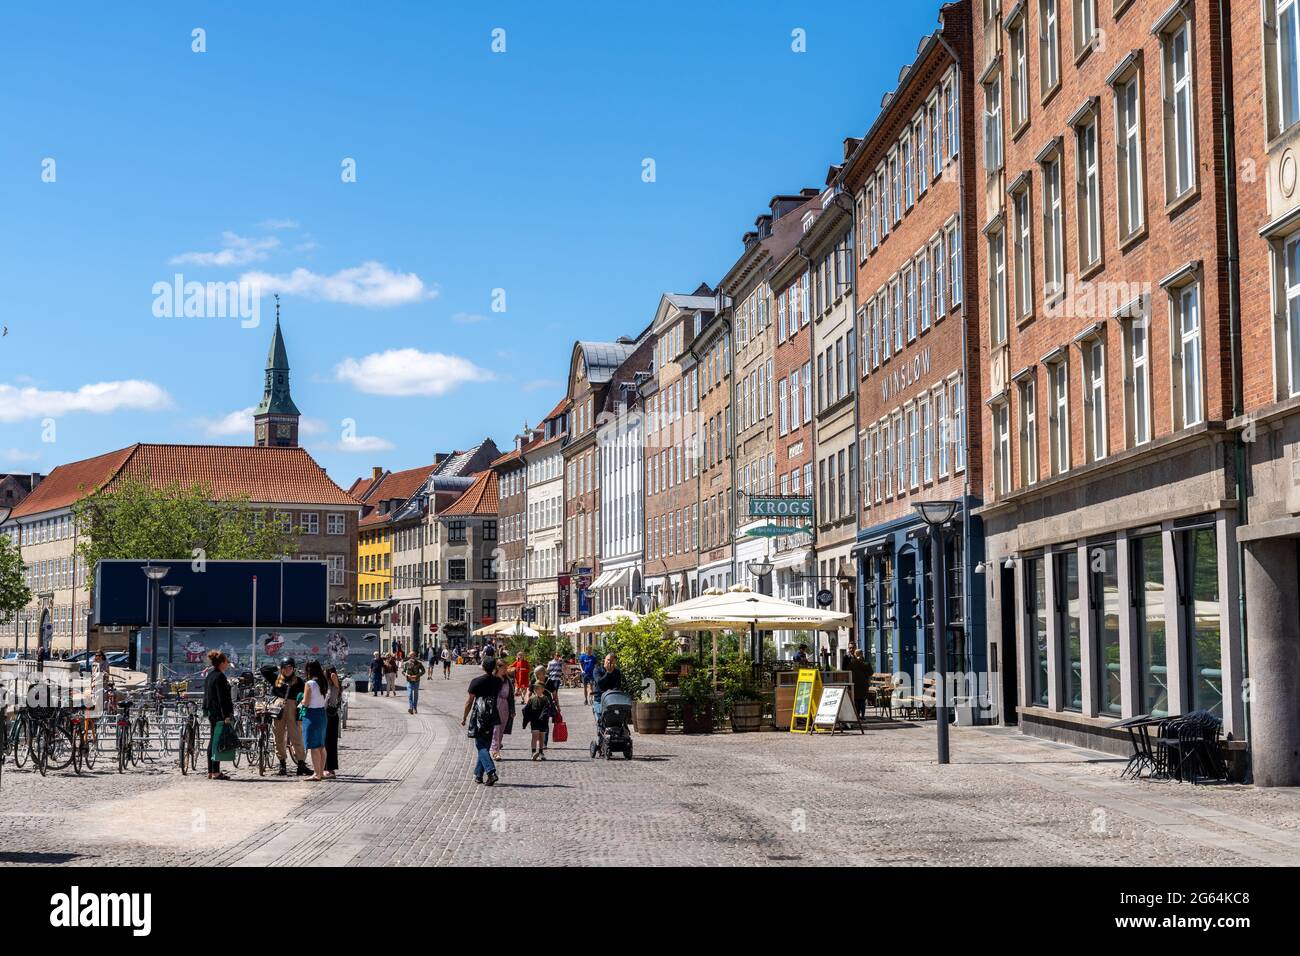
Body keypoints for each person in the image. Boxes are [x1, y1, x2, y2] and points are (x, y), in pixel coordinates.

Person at [460, 659, 502, 786]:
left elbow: (469, 701)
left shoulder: (476, 681)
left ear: (483, 667)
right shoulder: (498, 681)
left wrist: (464, 717)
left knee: (481, 746)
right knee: (486, 745)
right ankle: (478, 775)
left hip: (480, 715)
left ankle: (491, 772)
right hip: (492, 714)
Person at [272, 657, 309, 776]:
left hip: (293, 708)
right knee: (278, 737)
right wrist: (277, 667)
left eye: (290, 667)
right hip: (279, 707)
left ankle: (301, 764)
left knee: (297, 736)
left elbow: (305, 695)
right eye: (285, 667)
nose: (288, 670)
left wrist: (301, 712)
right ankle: (282, 764)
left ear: (294, 668)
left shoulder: (298, 681)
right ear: (281, 668)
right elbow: (264, 670)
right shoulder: (278, 679)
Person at [203, 650, 234, 780]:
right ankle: (216, 771)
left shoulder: (210, 676)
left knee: (212, 740)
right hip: (219, 713)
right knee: (217, 741)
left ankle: (211, 770)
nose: (227, 664)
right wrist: (226, 715)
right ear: (221, 663)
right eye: (226, 662)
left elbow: (206, 697)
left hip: (211, 712)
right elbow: (222, 698)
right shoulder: (220, 677)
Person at [300, 660, 329, 781]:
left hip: (311, 714)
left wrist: (300, 702)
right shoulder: (323, 682)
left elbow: (306, 702)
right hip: (322, 713)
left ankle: (316, 774)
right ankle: (321, 772)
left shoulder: (309, 683)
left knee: (313, 746)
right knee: (321, 745)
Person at [490, 657, 514, 762]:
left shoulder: (507, 680)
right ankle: (495, 752)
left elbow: (511, 696)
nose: (505, 670)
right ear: (498, 668)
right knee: (495, 729)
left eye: (506, 667)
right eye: (503, 668)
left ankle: (497, 747)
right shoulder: (492, 679)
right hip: (495, 706)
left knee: (501, 730)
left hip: (505, 707)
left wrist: (512, 710)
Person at [522, 675, 553, 760]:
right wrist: (526, 719)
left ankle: (541, 752)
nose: (535, 690)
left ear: (542, 689)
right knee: (535, 736)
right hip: (534, 720)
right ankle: (533, 752)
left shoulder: (546, 699)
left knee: (541, 736)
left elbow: (546, 709)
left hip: (543, 721)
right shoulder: (532, 699)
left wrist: (543, 716)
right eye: (535, 688)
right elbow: (527, 709)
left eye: (538, 688)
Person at [324, 666, 343, 779]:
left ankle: (329, 768)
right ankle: (325, 767)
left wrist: (332, 675)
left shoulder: (336, 685)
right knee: (325, 742)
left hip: (331, 715)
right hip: (325, 714)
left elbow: (335, 679)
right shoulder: (325, 685)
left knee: (329, 742)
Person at [847, 649, 872, 721]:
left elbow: (848, 671)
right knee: (862, 700)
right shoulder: (866, 663)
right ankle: (863, 716)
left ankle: (857, 715)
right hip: (864, 684)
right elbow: (871, 673)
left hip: (855, 684)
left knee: (856, 700)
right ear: (862, 654)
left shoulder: (852, 663)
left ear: (855, 654)